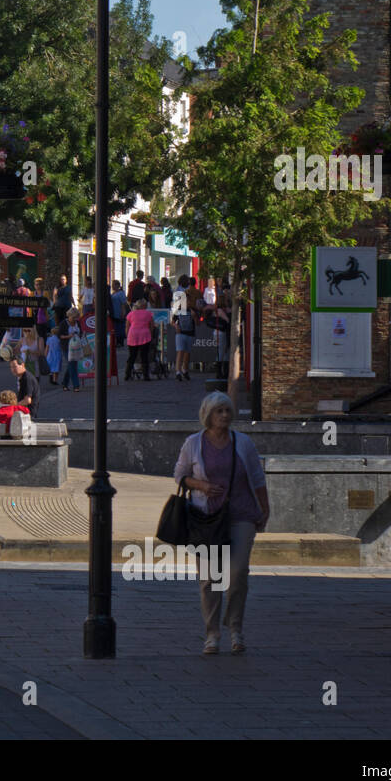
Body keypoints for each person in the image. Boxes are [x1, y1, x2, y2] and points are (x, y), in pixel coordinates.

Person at [173, 392, 270, 655]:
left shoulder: (243, 443)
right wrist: (201, 484)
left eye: (227, 410)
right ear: (208, 415)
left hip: (241, 514)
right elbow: (179, 475)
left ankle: (235, 629)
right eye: (219, 411)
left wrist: (265, 508)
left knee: (237, 574)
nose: (225, 416)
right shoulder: (193, 443)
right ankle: (212, 633)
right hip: (206, 518)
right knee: (210, 579)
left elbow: (258, 478)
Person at [124, 299, 155, 382]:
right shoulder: (148, 314)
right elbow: (152, 326)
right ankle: (146, 376)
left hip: (133, 335)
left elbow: (127, 327)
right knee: (144, 356)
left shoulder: (130, 314)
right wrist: (151, 335)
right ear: (144, 306)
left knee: (132, 356)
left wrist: (127, 336)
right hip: (145, 335)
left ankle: (127, 374)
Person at [172, 275, 196, 381]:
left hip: (190, 333)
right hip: (180, 333)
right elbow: (173, 320)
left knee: (187, 353)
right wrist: (176, 326)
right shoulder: (179, 310)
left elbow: (197, 323)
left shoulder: (192, 310)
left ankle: (185, 370)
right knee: (180, 351)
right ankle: (178, 371)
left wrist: (195, 317)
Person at [64, 308, 85, 392]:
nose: (75, 319)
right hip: (66, 347)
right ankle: (76, 385)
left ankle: (64, 383)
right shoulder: (64, 324)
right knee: (72, 365)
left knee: (71, 365)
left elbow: (81, 332)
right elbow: (60, 336)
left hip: (76, 347)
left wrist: (80, 335)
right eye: (74, 317)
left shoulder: (78, 323)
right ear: (69, 316)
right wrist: (68, 336)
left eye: (76, 317)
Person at [109, 282, 128, 348]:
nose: (112, 287)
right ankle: (117, 341)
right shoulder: (113, 293)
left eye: (113, 285)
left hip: (119, 312)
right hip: (114, 313)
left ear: (117, 286)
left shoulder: (121, 293)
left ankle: (120, 341)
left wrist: (123, 313)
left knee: (120, 327)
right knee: (116, 327)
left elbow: (123, 304)